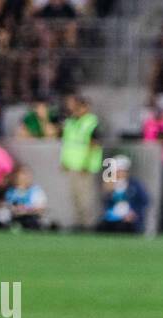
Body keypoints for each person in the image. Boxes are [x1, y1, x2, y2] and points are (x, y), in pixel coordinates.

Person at [61, 94, 103, 230]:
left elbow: (94, 144)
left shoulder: (91, 122)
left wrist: (87, 163)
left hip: (85, 167)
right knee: (75, 196)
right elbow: (67, 144)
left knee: (86, 197)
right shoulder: (71, 122)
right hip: (72, 165)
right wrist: (64, 161)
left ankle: (88, 224)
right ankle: (78, 223)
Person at [97, 156, 149, 234]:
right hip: (112, 217)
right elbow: (106, 203)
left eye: (122, 171)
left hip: (129, 218)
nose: (120, 173)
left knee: (123, 227)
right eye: (117, 171)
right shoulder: (110, 184)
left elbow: (144, 200)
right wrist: (107, 192)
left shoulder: (134, 184)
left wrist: (134, 213)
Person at [0, 164, 48, 229]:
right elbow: (7, 205)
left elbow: (41, 209)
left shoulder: (35, 191)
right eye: (22, 174)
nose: (24, 177)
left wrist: (26, 211)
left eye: (27, 175)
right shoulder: (11, 191)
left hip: (30, 217)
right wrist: (13, 209)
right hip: (14, 216)